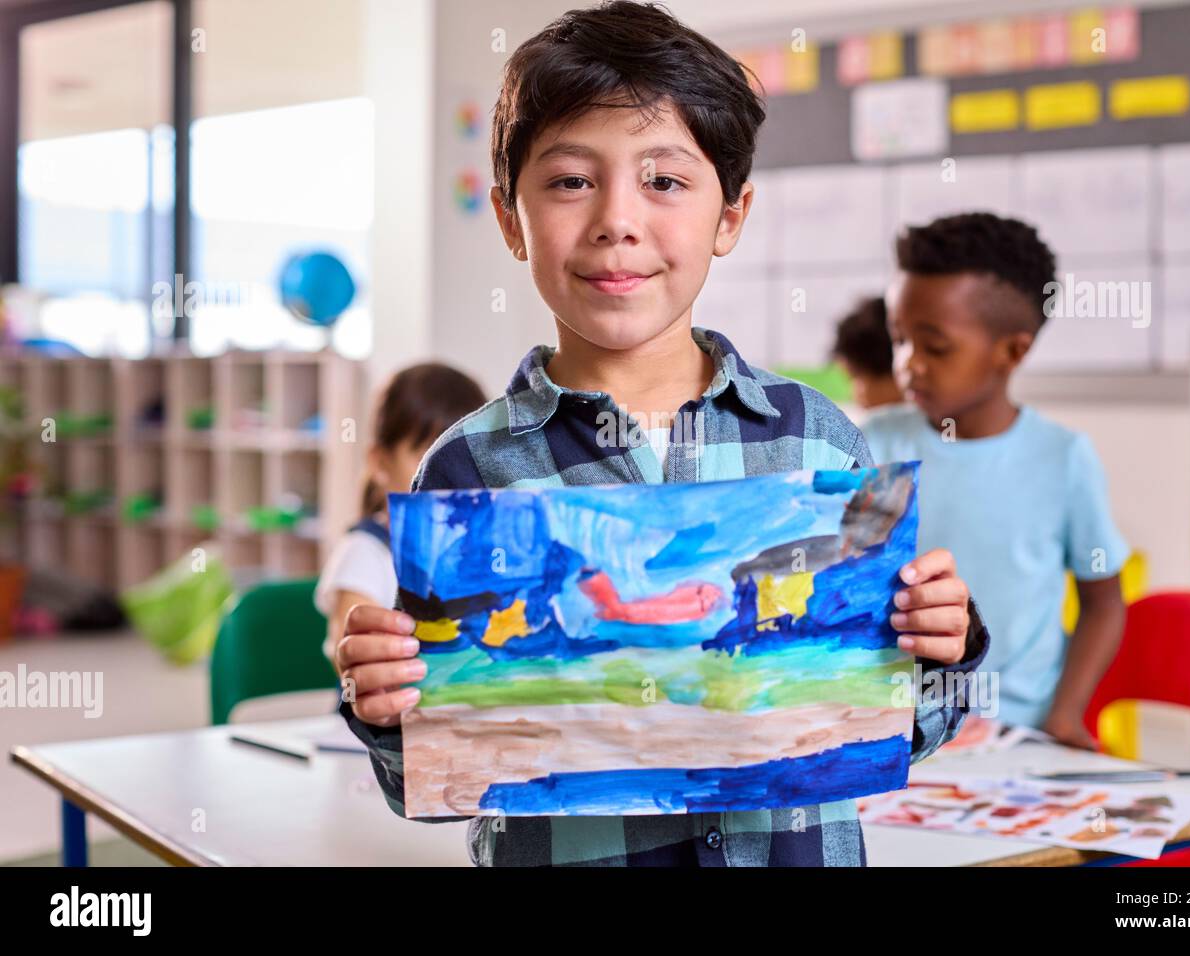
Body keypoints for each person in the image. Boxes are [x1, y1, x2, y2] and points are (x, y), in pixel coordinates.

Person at [336, 0, 989, 867]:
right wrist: (387, 711)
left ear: (730, 215)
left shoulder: (819, 442)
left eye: (666, 181)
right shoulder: (465, 471)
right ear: (508, 217)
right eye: (570, 180)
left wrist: (946, 645)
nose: (617, 220)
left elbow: (896, 730)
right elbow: (437, 780)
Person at [862, 211, 1128, 744]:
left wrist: (1066, 713)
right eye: (900, 339)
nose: (909, 364)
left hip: (1016, 731)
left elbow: (1104, 603)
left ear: (1012, 352)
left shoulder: (1062, 457)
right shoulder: (872, 442)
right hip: (900, 725)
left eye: (935, 347)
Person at [314, 362, 485, 672]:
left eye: (465, 456)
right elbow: (355, 666)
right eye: (426, 455)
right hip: (384, 714)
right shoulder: (366, 552)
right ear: (380, 462)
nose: (449, 473)